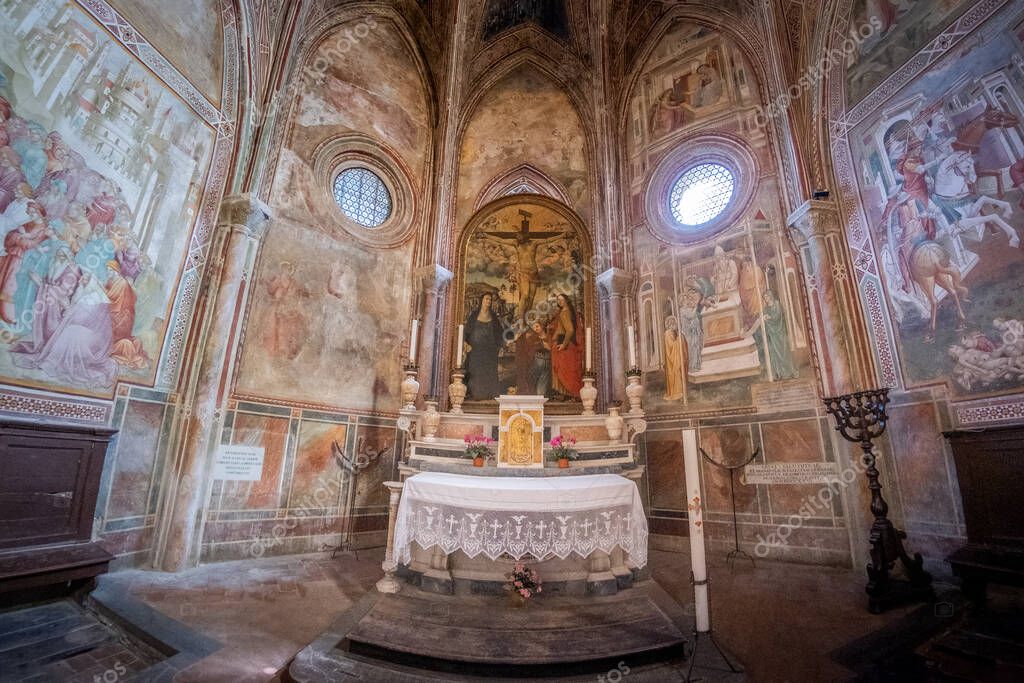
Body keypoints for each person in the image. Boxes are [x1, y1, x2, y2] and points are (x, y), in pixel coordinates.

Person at [464, 292, 505, 400]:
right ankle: (477, 395)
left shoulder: (493, 317)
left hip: (490, 351)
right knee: (476, 372)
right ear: (482, 300)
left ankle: (490, 395)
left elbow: (499, 333)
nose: (488, 301)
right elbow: (466, 332)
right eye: (487, 299)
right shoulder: (474, 316)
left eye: (490, 300)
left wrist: (500, 346)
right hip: (476, 351)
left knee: (490, 372)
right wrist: (466, 343)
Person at [548, 293, 583, 399]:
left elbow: (570, 330)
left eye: (561, 300)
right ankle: (565, 394)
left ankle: (569, 393)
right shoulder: (564, 312)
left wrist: (563, 344)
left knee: (564, 370)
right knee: (562, 370)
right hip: (563, 344)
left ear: (567, 301)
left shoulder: (564, 313)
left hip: (563, 345)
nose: (559, 302)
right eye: (558, 300)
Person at [762, 290, 798, 380]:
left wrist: (769, 317)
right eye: (764, 297)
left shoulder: (777, 304)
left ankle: (789, 372)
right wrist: (765, 318)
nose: (766, 299)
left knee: (784, 352)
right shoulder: (766, 309)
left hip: (780, 333)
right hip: (772, 335)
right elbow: (765, 319)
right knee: (775, 354)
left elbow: (777, 316)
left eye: (767, 297)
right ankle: (779, 373)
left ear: (770, 296)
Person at [662, 315, 688, 402]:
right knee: (676, 373)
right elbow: (671, 346)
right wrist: (680, 339)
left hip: (676, 358)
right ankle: (677, 393)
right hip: (672, 360)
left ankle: (680, 393)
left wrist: (681, 338)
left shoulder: (674, 332)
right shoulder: (668, 333)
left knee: (679, 373)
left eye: (674, 323)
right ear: (669, 324)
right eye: (672, 323)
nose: (674, 325)